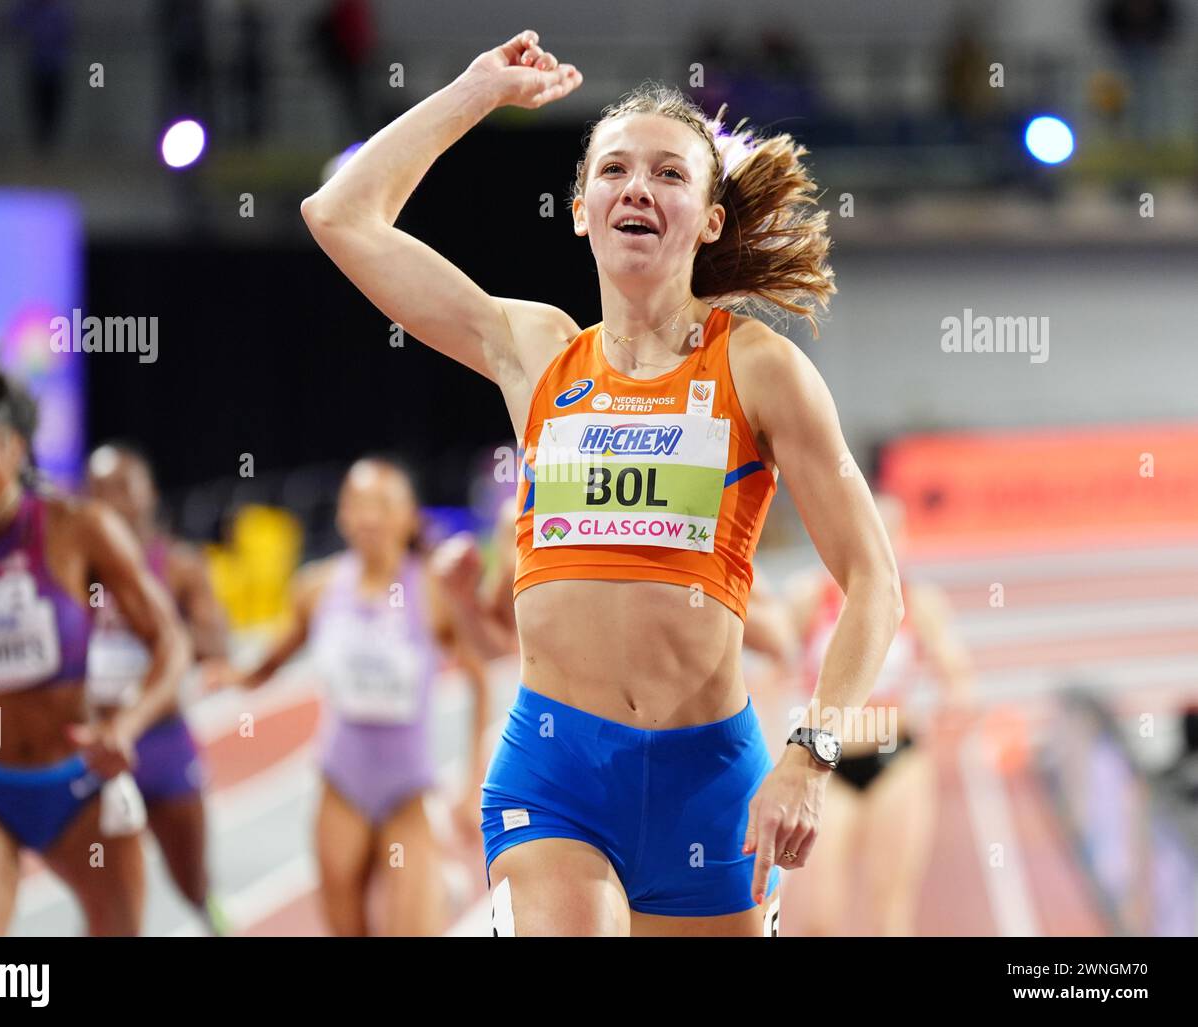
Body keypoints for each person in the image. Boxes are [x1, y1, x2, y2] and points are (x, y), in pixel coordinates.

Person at [300, 30, 904, 936]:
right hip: (555, 774)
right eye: (615, 169)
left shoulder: (759, 369)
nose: (638, 187)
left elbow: (874, 582)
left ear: (709, 220)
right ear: (580, 206)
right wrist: (473, 91)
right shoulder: (533, 350)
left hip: (710, 781)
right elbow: (340, 215)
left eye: (670, 174)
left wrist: (810, 758)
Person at [0, 367, 189, 936]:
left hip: (77, 785)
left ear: (16, 448)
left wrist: (127, 725)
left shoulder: (80, 530)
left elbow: (169, 641)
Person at [212, 456, 489, 936]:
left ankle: (438, 888)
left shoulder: (430, 591)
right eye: (357, 504)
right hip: (341, 786)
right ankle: (439, 887)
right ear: (341, 516)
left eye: (383, 505)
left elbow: (480, 678)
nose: (369, 518)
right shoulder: (317, 588)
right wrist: (236, 677)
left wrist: (473, 783)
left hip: (407, 792)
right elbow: (274, 659)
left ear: (407, 516)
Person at [782, 493, 973, 935]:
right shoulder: (809, 597)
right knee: (819, 918)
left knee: (888, 913)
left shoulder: (919, 602)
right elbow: (774, 661)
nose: (883, 544)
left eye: (892, 535)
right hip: (825, 767)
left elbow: (956, 671)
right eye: (873, 532)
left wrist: (958, 700)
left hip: (897, 764)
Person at [85, 441, 231, 935]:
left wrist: (157, 627)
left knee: (191, 880)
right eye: (99, 491)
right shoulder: (76, 567)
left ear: (148, 494)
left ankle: (212, 916)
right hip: (99, 747)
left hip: (164, 745)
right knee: (108, 894)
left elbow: (217, 644)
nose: (112, 502)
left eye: (123, 488)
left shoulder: (178, 565)